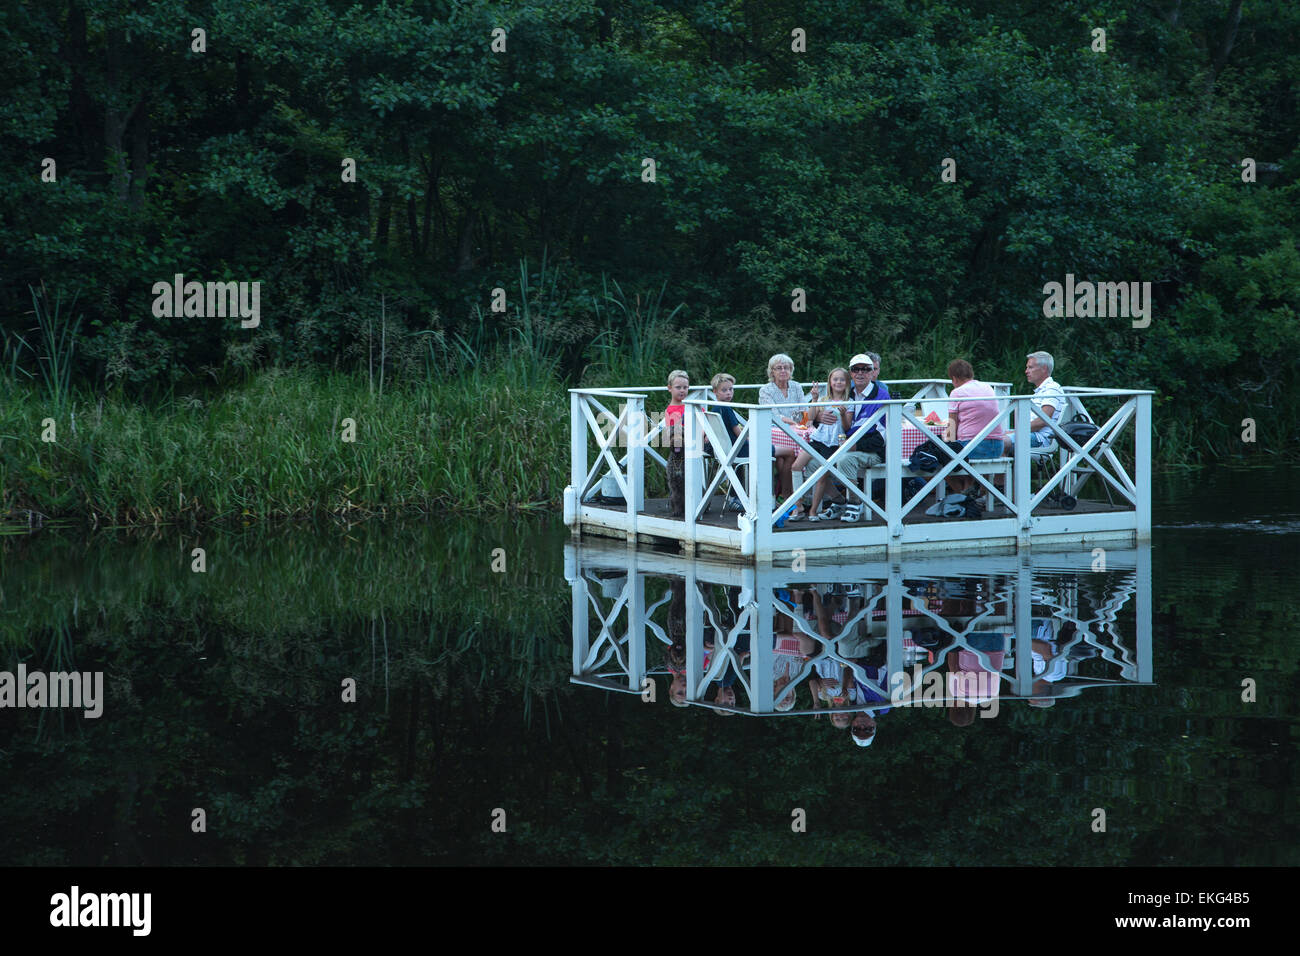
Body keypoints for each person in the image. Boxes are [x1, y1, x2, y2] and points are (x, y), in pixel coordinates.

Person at [788, 367, 853, 521]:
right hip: (818, 439)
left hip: (834, 442)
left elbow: (847, 426)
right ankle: (799, 506)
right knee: (796, 466)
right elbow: (810, 419)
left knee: (821, 475)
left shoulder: (850, 402)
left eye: (842, 379)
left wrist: (843, 415)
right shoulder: (824, 400)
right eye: (835, 379)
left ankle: (813, 511)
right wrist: (815, 399)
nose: (838, 382)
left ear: (847, 382)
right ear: (830, 382)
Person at [838, 353, 891, 523]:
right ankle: (836, 501)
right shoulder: (848, 393)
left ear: (872, 372)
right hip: (846, 445)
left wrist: (855, 445)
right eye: (856, 369)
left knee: (845, 460)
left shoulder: (882, 396)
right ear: (851, 373)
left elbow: (882, 437)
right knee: (813, 461)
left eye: (865, 369)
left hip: (873, 451)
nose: (860, 373)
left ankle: (855, 502)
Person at [943, 359, 1006, 495]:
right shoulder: (987, 387)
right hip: (998, 446)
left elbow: (951, 429)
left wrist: (944, 442)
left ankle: (964, 497)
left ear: (954, 378)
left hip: (974, 447)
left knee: (941, 461)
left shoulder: (957, 392)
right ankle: (972, 492)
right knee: (960, 460)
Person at [757, 354, 808, 510]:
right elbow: (774, 415)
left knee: (789, 455)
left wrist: (804, 423)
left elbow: (804, 410)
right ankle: (789, 496)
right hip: (772, 431)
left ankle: (789, 496)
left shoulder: (796, 386)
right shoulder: (766, 390)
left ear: (791, 370)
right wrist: (793, 422)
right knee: (785, 455)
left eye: (786, 367)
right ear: (772, 371)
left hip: (796, 430)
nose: (783, 371)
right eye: (779, 368)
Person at [1003, 350, 1066, 454]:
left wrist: (1015, 431)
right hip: (1030, 435)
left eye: (1030, 367)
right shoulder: (1041, 391)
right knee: (993, 439)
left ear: (1044, 369)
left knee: (999, 442)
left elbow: (1042, 421)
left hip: (1040, 439)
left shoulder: (1052, 388)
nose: (1026, 371)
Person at [708, 373, 748, 510]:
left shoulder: (715, 407)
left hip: (725, 448)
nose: (729, 393)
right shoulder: (726, 408)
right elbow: (738, 433)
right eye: (724, 390)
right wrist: (753, 437)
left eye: (731, 389)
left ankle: (736, 496)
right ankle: (771, 496)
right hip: (737, 448)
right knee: (778, 452)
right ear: (715, 392)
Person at [664, 369, 690, 517]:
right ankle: (677, 506)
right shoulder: (670, 411)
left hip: (695, 447)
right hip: (680, 451)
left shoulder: (692, 406)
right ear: (670, 388)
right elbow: (670, 436)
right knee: (675, 482)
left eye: (685, 387)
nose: (682, 390)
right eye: (678, 387)